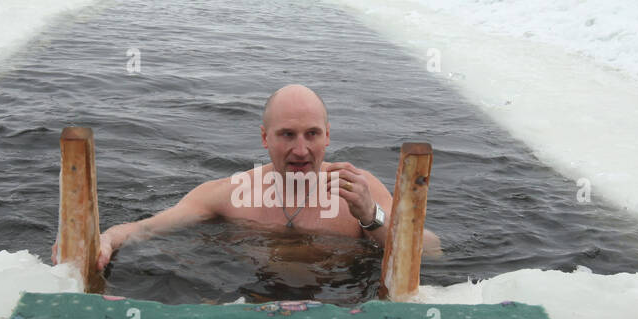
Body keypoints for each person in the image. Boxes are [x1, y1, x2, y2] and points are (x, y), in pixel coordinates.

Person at [53, 83, 440, 271]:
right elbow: (146, 229)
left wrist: (372, 218)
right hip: (252, 303)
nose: (301, 150)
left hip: (342, 308)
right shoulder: (232, 194)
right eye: (287, 135)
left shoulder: (359, 189)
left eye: (312, 134)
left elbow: (431, 251)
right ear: (264, 137)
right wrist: (101, 240)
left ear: (328, 135)